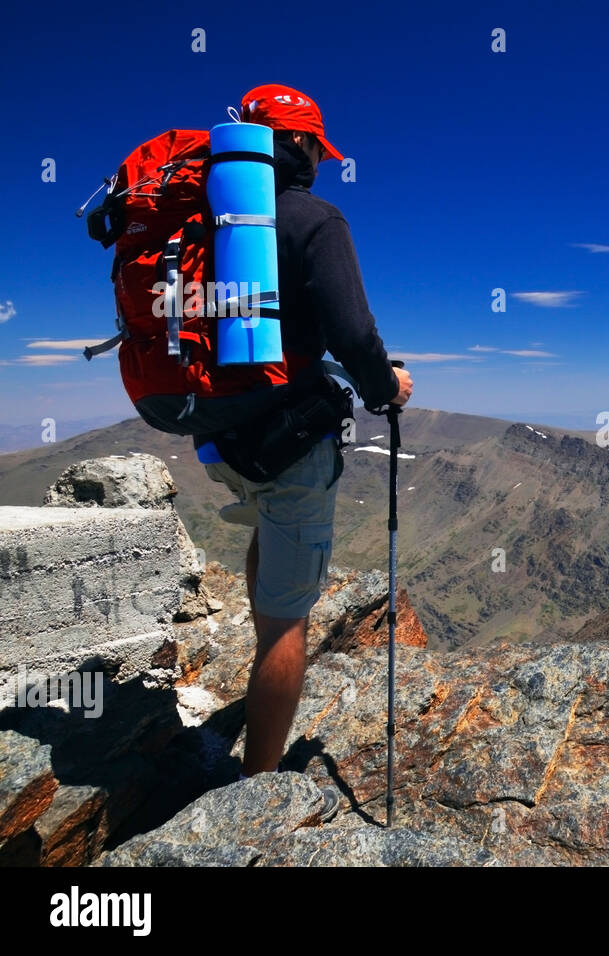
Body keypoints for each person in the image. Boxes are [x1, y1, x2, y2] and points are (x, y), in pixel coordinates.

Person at [200, 84, 414, 785]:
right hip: (286, 440)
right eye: (319, 147)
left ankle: (268, 613)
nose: (324, 159)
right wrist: (388, 388)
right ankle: (254, 791)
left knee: (272, 521)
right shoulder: (314, 219)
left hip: (219, 438)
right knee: (288, 626)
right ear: (303, 146)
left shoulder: (209, 221)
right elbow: (353, 332)